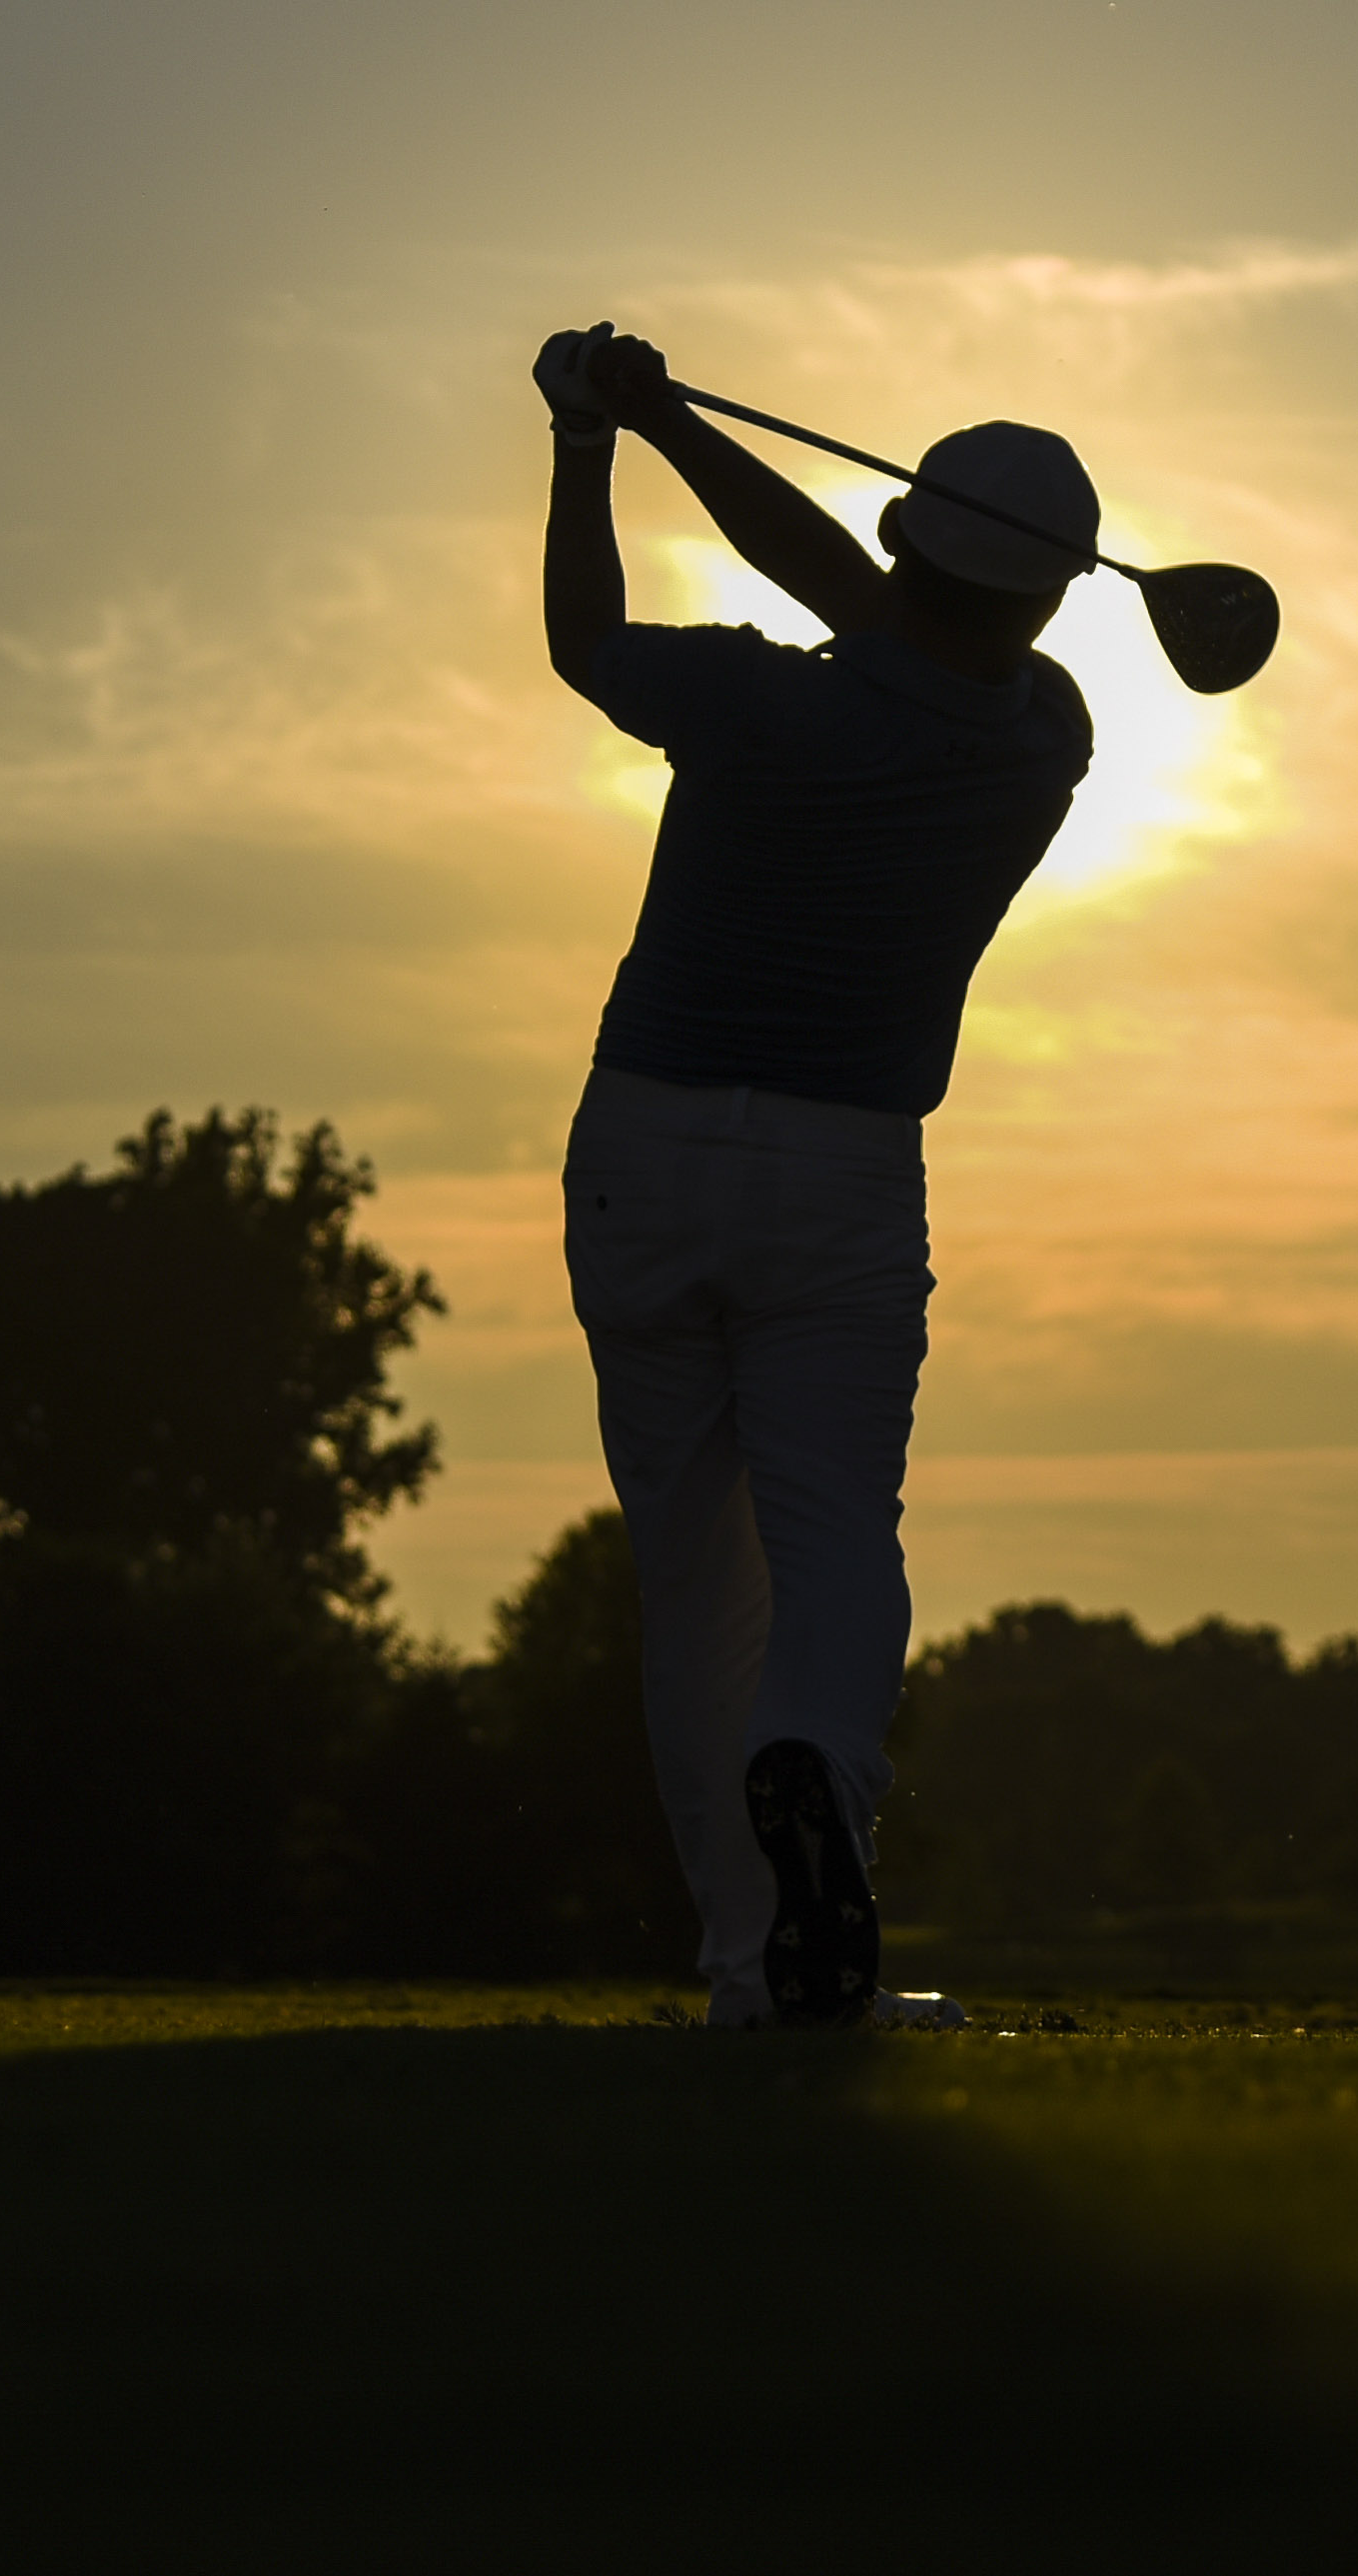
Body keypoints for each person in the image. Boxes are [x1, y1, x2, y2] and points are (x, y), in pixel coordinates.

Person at [535, 321, 1098, 2030]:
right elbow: (877, 602)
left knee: (697, 1575)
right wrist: (673, 423)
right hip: (845, 1172)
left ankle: (742, 1967)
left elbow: (583, 643)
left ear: (903, 540)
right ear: (1051, 604)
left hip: (642, 1145)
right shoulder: (1044, 739)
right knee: (837, 1529)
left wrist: (601, 439)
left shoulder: (749, 696)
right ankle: (815, 1764)